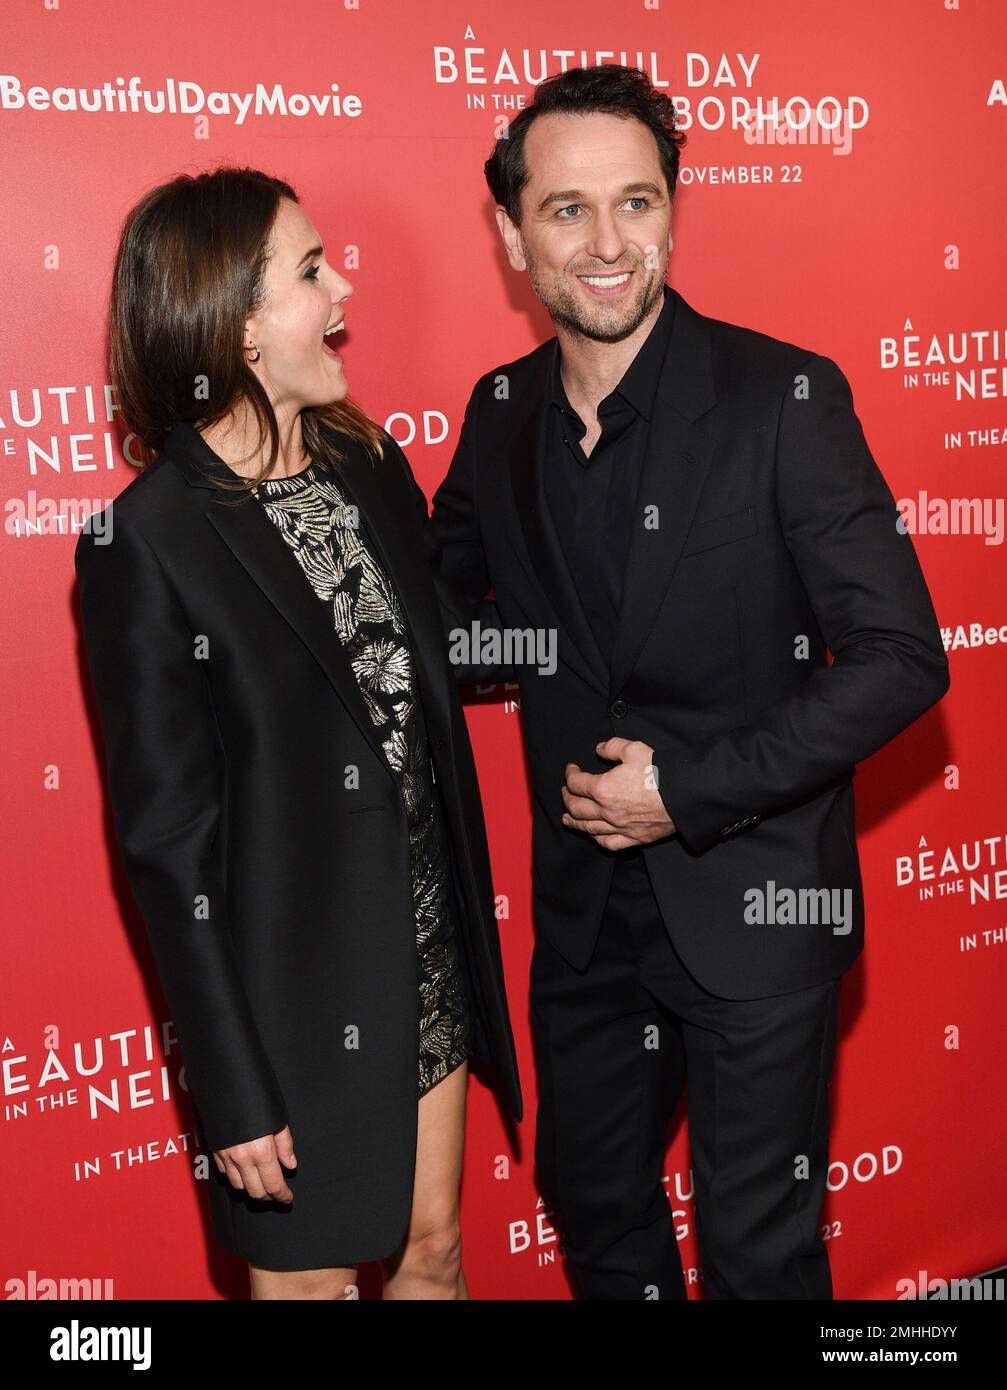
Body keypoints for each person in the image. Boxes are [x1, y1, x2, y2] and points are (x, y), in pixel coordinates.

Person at [428, 64, 950, 1299]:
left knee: (756, 1250)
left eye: (638, 203)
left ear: (672, 208)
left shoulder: (783, 396)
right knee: (595, 1203)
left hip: (759, 905)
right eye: (565, 210)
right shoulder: (498, 415)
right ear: (512, 234)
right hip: (583, 920)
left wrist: (690, 788)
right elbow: (453, 621)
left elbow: (899, 659)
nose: (608, 245)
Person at [74, 165, 521, 1300]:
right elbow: (168, 844)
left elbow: (430, 670)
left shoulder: (363, 465)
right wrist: (230, 1082)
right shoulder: (148, 541)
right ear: (232, 320)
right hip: (285, 1000)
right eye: (311, 269)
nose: (342, 287)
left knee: (433, 1256)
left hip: (419, 957)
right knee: (312, 1291)